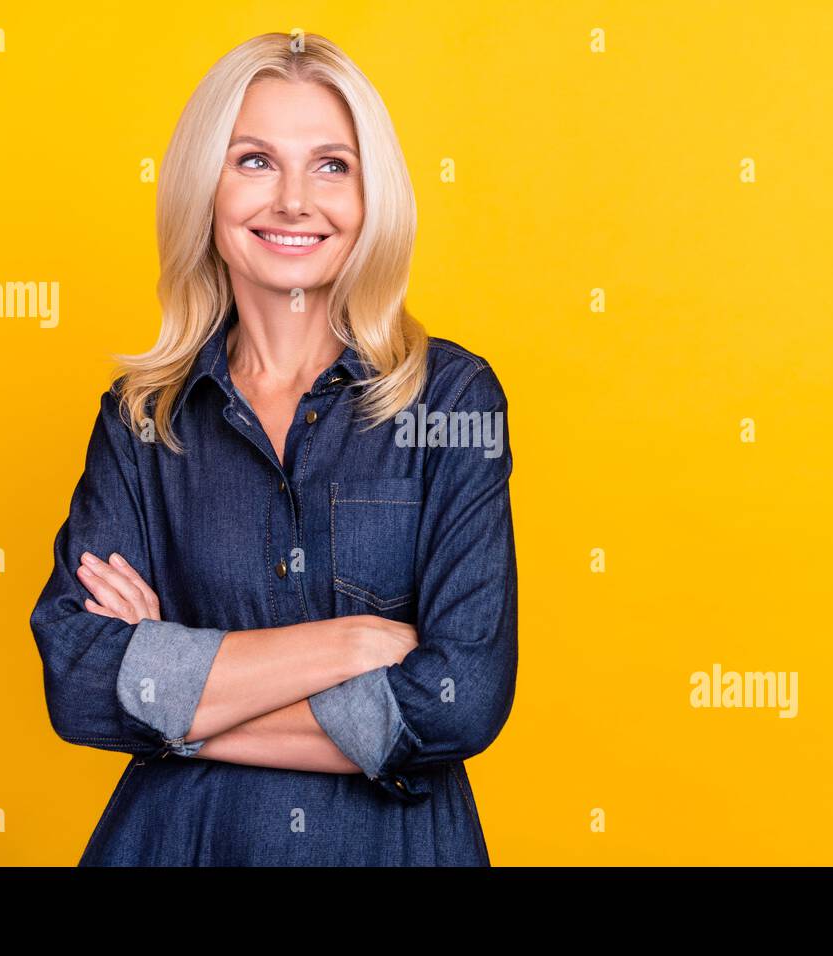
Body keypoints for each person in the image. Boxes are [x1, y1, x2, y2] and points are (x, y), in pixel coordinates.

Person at [28, 31, 518, 865]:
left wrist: (177, 709)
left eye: (332, 165)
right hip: (179, 845)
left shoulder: (452, 399)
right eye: (254, 160)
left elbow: (458, 697)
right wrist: (351, 645)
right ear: (204, 188)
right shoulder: (140, 415)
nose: (294, 200)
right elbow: (80, 682)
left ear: (373, 197)